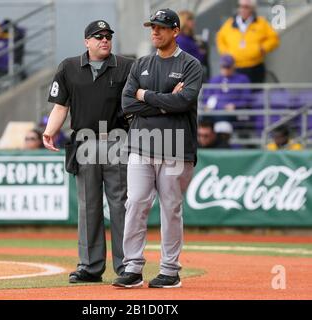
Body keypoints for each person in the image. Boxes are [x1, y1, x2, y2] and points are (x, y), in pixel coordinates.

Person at [113, 9, 203, 289]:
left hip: (176, 147)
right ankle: (132, 267)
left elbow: (184, 101)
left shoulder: (191, 65)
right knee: (136, 203)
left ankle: (169, 269)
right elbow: (128, 103)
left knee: (170, 208)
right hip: (140, 145)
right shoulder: (140, 64)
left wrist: (147, 97)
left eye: (161, 27)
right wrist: (165, 101)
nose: (155, 32)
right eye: (153, 27)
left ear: (175, 31)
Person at [43, 20, 133, 283]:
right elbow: (61, 105)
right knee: (88, 206)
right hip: (84, 143)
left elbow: (138, 100)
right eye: (98, 36)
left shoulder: (126, 65)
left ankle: (127, 265)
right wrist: (50, 130)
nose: (104, 40)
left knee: (120, 206)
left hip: (118, 141)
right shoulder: (69, 67)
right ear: (86, 41)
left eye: (107, 36)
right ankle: (90, 267)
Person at [216, 0, 280, 83]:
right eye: (240, 6)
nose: (242, 9)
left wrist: (263, 48)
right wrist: (225, 52)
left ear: (252, 9)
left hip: (255, 67)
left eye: (246, 7)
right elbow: (220, 38)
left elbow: (273, 38)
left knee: (256, 93)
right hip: (236, 67)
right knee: (238, 94)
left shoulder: (261, 23)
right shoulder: (230, 23)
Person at [202, 55, 251, 122]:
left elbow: (246, 98)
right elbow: (206, 97)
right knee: (199, 116)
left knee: (222, 116)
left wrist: (235, 106)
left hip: (232, 111)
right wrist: (206, 106)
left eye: (228, 67)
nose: (225, 69)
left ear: (233, 66)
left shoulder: (242, 79)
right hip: (214, 110)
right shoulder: (214, 80)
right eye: (223, 67)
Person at [176, 10, 208, 78]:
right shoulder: (180, 40)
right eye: (189, 19)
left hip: (197, 74)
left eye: (192, 19)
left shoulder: (191, 38)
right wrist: (201, 53)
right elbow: (187, 61)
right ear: (183, 21)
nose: (193, 22)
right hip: (187, 77)